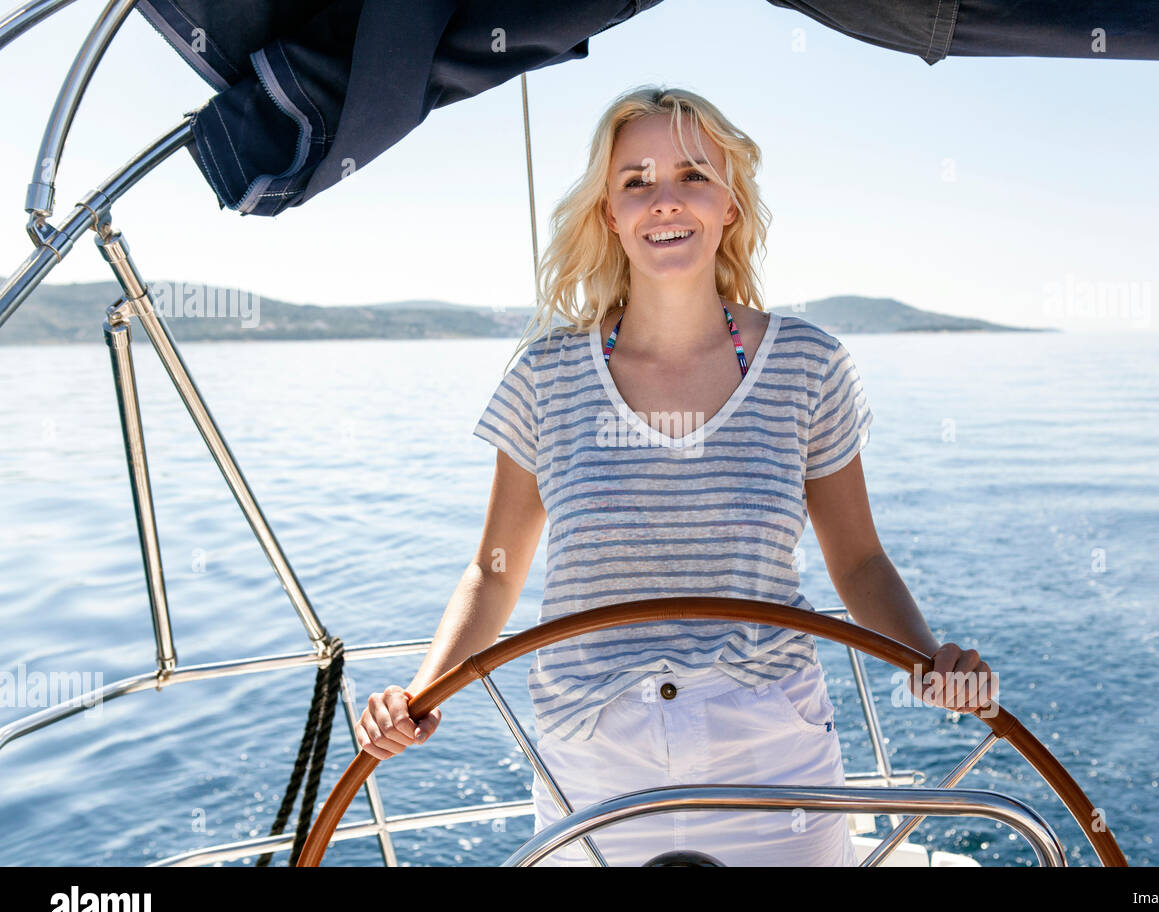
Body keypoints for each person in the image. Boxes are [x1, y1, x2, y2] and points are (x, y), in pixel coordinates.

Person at [355, 85, 998, 866]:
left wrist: (929, 660)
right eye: (636, 181)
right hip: (591, 767)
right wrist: (418, 697)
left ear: (729, 204)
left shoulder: (808, 364)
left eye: (694, 174)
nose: (666, 200)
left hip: (771, 759)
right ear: (608, 214)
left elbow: (859, 561)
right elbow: (493, 574)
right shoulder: (545, 377)